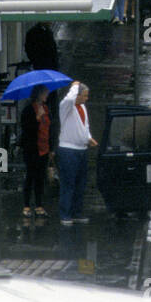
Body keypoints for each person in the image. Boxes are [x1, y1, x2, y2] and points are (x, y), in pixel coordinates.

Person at [56, 81, 97, 226]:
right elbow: (68, 99)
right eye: (84, 95)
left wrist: (88, 138)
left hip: (81, 149)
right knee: (68, 183)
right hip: (68, 150)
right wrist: (74, 86)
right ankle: (65, 214)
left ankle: (76, 212)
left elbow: (85, 126)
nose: (86, 98)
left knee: (80, 183)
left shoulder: (83, 107)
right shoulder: (66, 107)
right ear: (77, 95)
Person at [20, 84, 57, 219]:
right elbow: (26, 130)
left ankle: (39, 205)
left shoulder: (47, 109)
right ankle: (26, 205)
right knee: (30, 176)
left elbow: (50, 129)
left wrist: (52, 148)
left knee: (41, 177)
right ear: (39, 94)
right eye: (45, 93)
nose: (47, 95)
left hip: (44, 148)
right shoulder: (28, 110)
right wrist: (36, 119)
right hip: (31, 148)